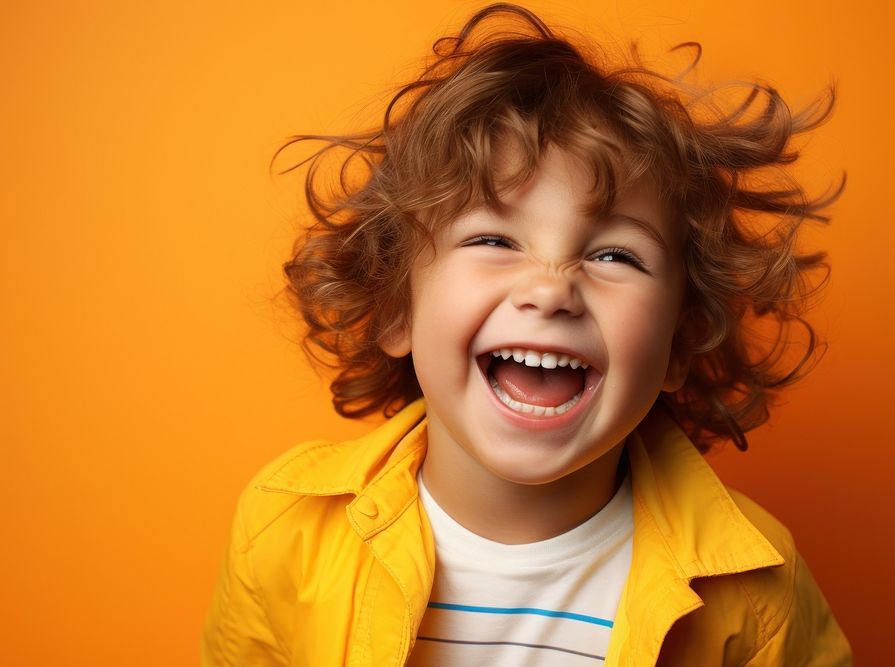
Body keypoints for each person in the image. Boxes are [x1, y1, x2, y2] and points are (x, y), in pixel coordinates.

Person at [201, 3, 851, 665]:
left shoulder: (756, 590)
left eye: (614, 255)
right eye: (493, 239)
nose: (550, 288)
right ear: (396, 306)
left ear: (680, 341)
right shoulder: (285, 530)